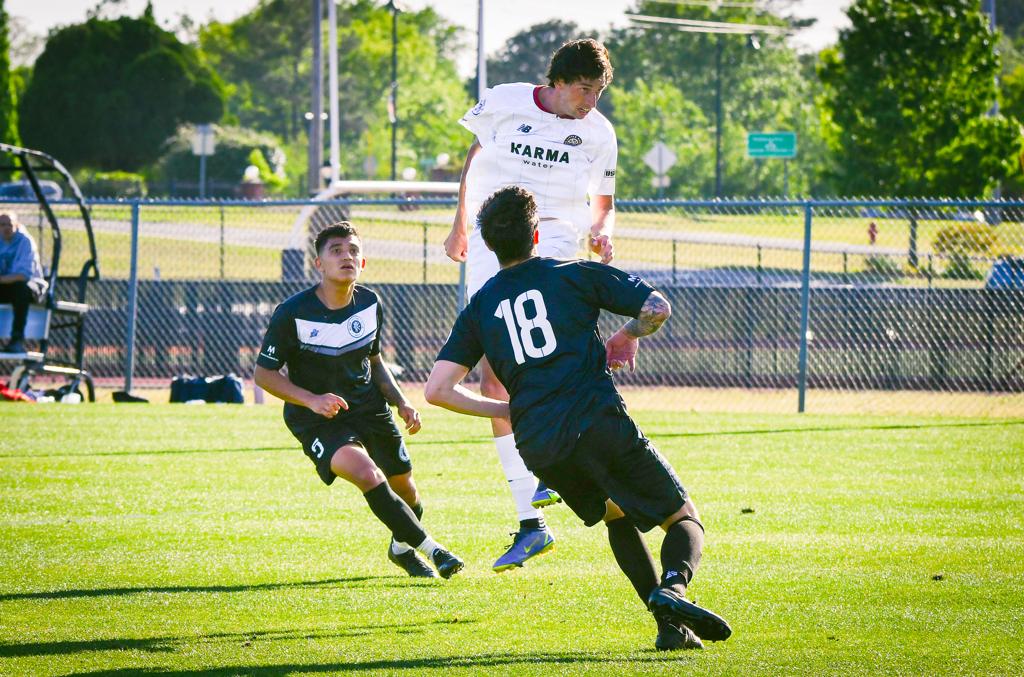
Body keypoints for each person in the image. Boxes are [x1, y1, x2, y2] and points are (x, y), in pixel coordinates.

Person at [426, 187, 732, 650]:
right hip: (595, 419)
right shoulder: (572, 274)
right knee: (683, 516)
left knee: (617, 516)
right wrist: (628, 333)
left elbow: (437, 390)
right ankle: (673, 589)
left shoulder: (480, 306)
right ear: (535, 234)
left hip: (538, 444)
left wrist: (506, 409)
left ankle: (670, 629)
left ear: (488, 245)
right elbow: (656, 308)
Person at [443, 37, 618, 572]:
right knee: (493, 379)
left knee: (549, 356)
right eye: (584, 90)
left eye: (599, 92)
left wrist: (602, 232)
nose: (590, 101)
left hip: (557, 238)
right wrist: (458, 224)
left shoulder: (599, 133)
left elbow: (604, 205)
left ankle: (569, 462)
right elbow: (474, 159)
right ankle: (530, 522)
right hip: (491, 239)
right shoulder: (504, 101)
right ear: (558, 82)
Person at [254, 222, 463, 579]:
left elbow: (374, 360)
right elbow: (264, 374)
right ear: (317, 264)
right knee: (367, 473)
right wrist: (312, 400)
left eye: (352, 250)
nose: (346, 256)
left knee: (406, 489)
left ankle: (400, 549)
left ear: (363, 263)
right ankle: (434, 550)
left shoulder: (370, 303)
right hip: (316, 418)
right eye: (335, 250)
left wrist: (401, 401)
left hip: (368, 406)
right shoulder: (291, 313)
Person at [0, 211, 48, 354]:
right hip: (8, 286)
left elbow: (24, 275)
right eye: (2, 225)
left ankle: (17, 339)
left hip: (31, 287)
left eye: (9, 224)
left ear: (16, 225)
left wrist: (1, 279)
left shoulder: (25, 242)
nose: (6, 228)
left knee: (20, 288)